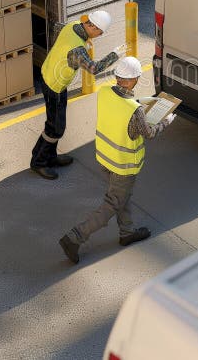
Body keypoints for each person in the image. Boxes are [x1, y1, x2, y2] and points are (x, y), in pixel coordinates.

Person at [59, 56, 175, 264]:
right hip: (123, 166)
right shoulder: (135, 111)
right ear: (133, 80)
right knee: (112, 203)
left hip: (105, 158)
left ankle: (126, 232)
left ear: (118, 77)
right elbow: (149, 133)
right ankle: (75, 237)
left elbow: (119, 111)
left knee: (121, 196)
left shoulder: (104, 92)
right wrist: (166, 121)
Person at [31, 10, 125, 180]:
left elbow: (57, 28)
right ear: (93, 27)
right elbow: (94, 68)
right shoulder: (77, 50)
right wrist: (114, 55)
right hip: (54, 86)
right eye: (100, 32)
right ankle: (39, 162)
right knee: (55, 128)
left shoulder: (73, 25)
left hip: (51, 75)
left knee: (55, 124)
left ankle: (50, 157)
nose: (100, 36)